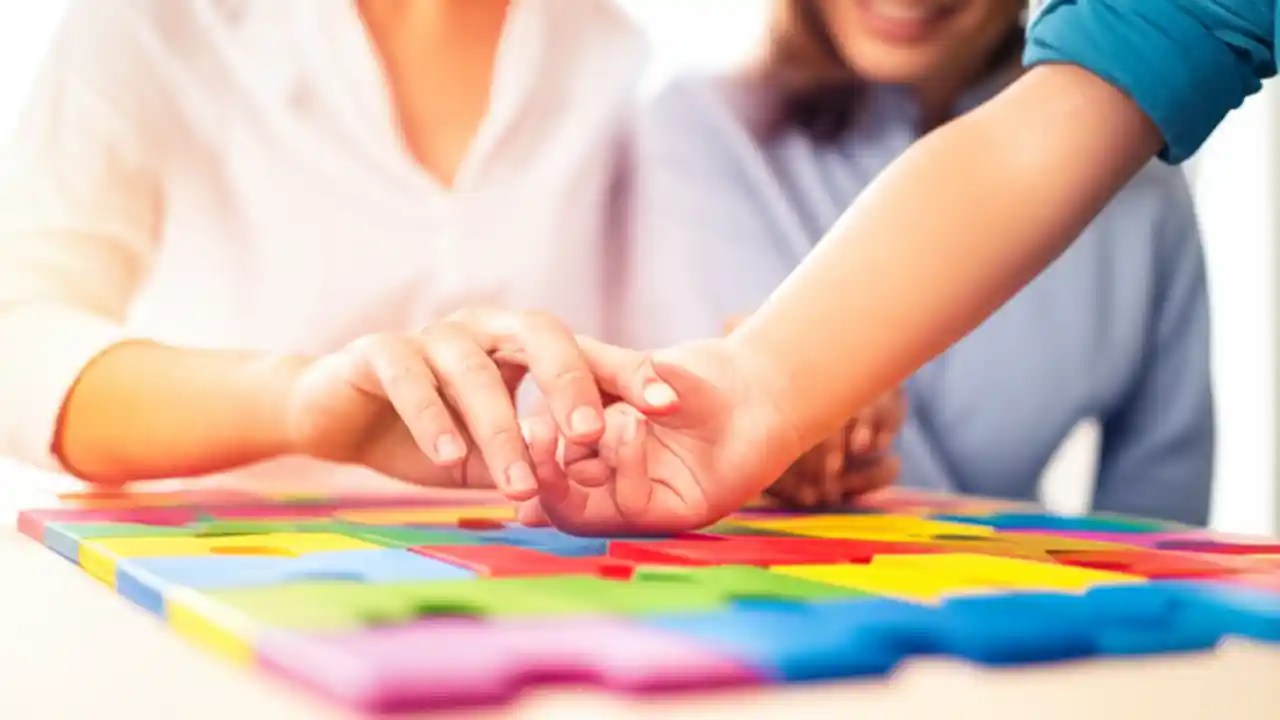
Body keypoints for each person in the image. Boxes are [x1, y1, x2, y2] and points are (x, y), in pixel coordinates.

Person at [0, 0, 890, 509]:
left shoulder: (619, 53)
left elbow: (660, 355)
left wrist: (772, 408)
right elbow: (17, 338)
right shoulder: (153, 25)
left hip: (535, 588)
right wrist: (298, 404)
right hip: (203, 585)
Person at [510, 0, 1261, 534]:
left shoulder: (1144, 187)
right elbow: (741, 417)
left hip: (1033, 630)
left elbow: (1161, 523)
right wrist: (780, 404)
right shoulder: (699, 129)